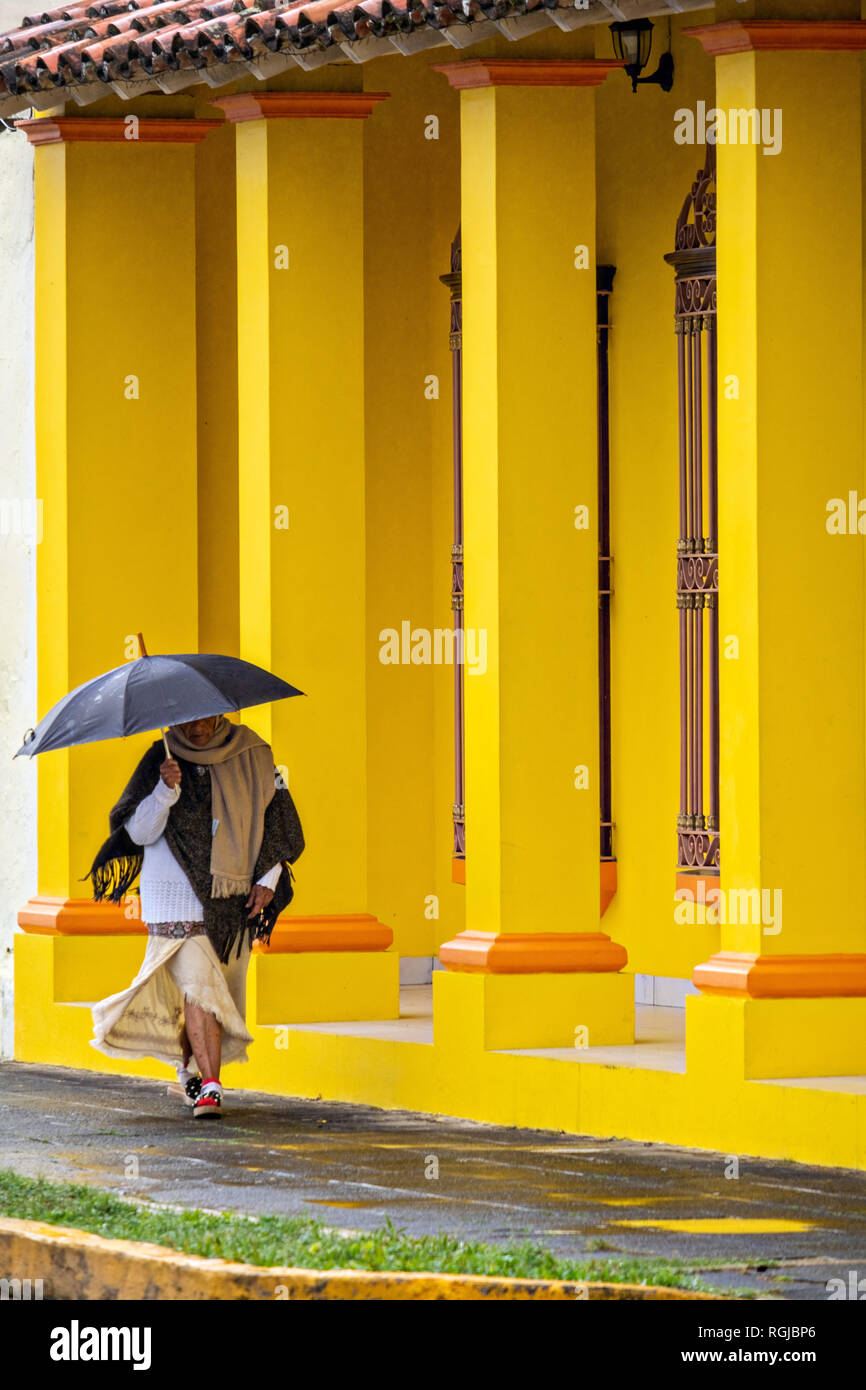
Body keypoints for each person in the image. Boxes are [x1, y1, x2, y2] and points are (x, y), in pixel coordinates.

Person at [88, 714, 304, 1118]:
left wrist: (269, 878)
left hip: (232, 897)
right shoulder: (161, 757)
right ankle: (211, 1086)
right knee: (197, 984)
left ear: (219, 712)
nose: (194, 727)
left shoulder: (254, 755)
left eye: (202, 718)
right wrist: (164, 792)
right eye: (185, 721)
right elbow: (137, 833)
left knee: (215, 988)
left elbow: (279, 821)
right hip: (174, 897)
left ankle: (186, 1070)